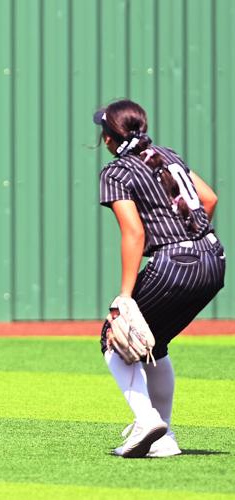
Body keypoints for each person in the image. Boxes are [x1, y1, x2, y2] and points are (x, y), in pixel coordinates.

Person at [95, 99, 225, 457]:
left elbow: (134, 234)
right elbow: (209, 199)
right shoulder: (165, 154)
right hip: (214, 258)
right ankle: (163, 440)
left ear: (108, 137)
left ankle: (146, 419)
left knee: (115, 336)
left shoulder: (116, 172)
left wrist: (124, 296)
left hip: (177, 263)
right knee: (155, 343)